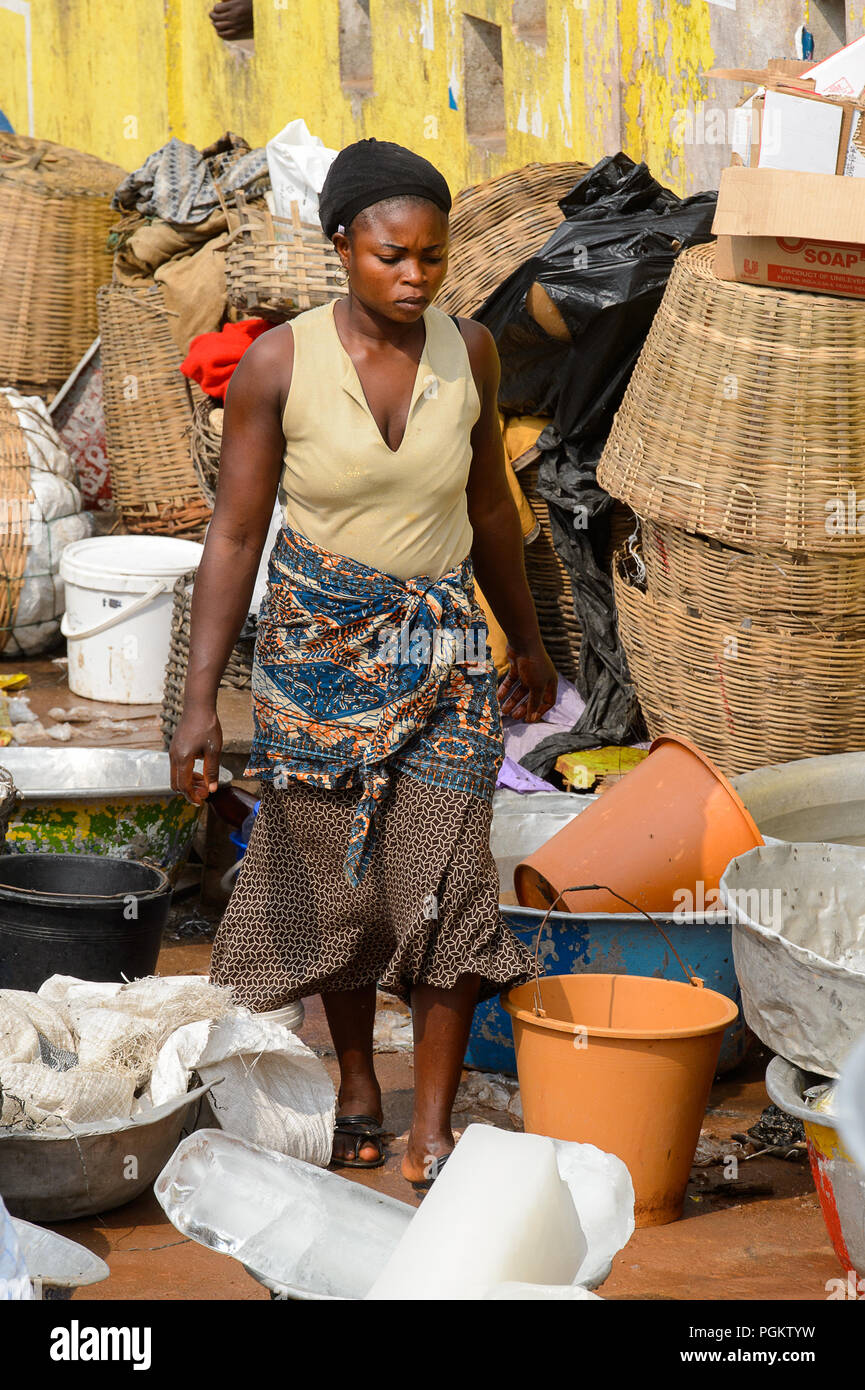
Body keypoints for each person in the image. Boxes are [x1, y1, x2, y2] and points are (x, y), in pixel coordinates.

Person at [170, 138, 557, 1189]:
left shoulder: (467, 352)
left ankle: (430, 1125)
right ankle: (353, 1082)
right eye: (393, 255)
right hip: (314, 657)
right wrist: (199, 703)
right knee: (333, 884)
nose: (415, 277)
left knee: (442, 882)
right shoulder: (278, 365)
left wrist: (526, 641)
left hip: (446, 655)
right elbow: (235, 538)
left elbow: (488, 508)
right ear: (340, 245)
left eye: (433, 257)